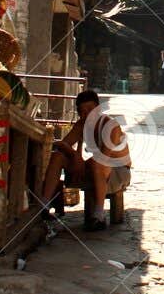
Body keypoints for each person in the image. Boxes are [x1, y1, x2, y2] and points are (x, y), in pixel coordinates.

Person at [40, 89, 132, 231]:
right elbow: (62, 144)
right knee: (58, 156)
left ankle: (99, 215)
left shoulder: (111, 126)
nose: (86, 114)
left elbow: (103, 158)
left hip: (118, 174)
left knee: (97, 163)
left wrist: (80, 161)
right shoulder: (81, 125)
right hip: (96, 170)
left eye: (90, 109)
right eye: (82, 111)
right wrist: (75, 156)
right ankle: (44, 205)